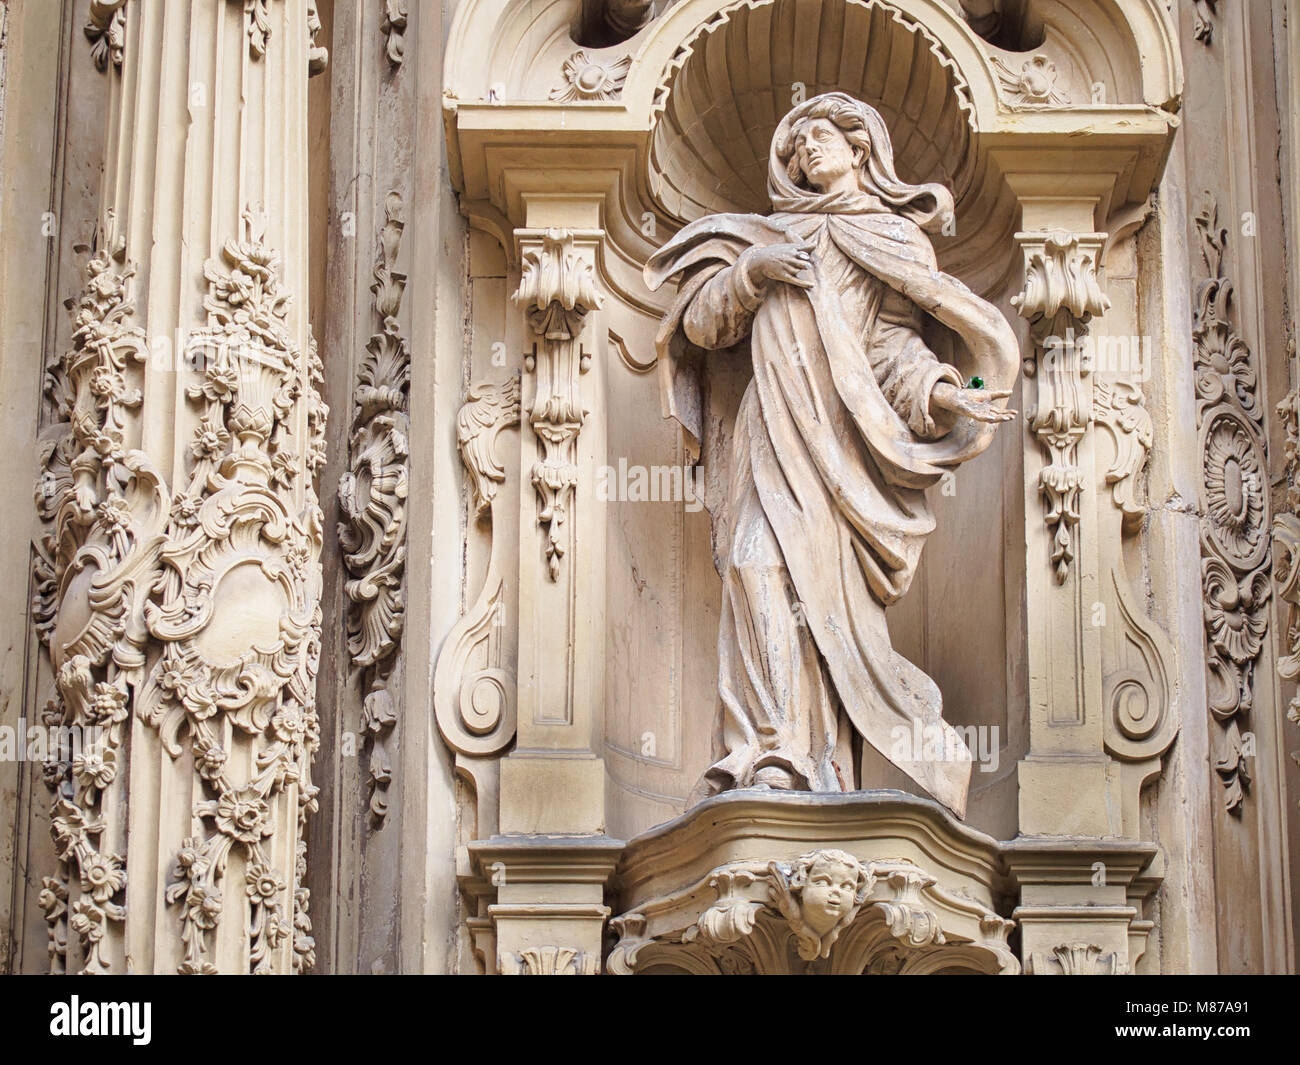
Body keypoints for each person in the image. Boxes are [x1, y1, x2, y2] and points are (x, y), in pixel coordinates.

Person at [644, 92, 1018, 818]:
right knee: (753, 566)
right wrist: (755, 272)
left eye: (823, 138)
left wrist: (953, 393)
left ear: (861, 150)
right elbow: (700, 324)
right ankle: (769, 747)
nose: (808, 151)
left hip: (841, 444)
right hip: (769, 425)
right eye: (797, 146)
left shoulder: (893, 238)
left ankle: (819, 763)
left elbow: (895, 352)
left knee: (820, 599)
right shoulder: (768, 236)